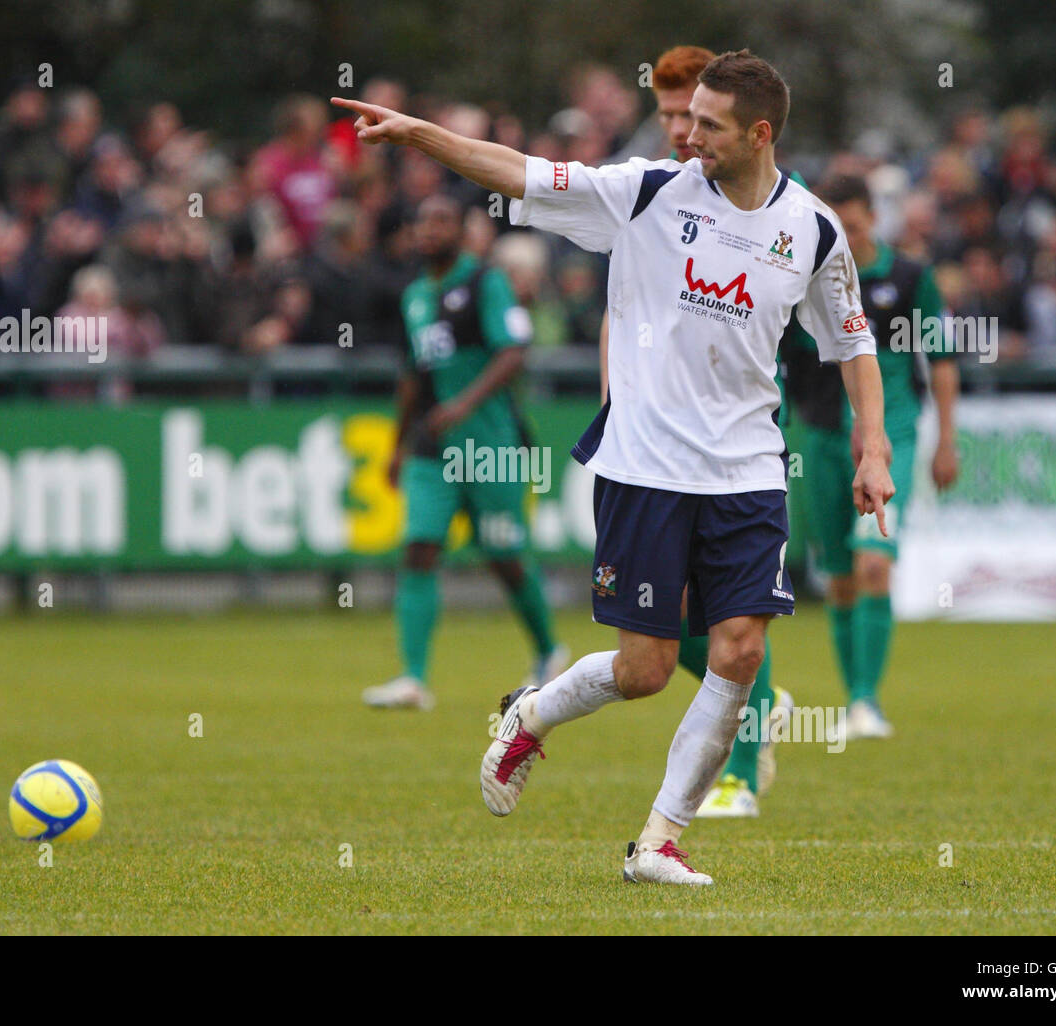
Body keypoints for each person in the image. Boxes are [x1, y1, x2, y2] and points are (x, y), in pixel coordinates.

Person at [333, 47, 894, 885]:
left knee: (739, 651)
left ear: (760, 134)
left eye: (708, 124)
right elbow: (519, 171)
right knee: (647, 671)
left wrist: (873, 443)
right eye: (687, 117)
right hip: (647, 467)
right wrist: (419, 135)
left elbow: (853, 341)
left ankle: (660, 841)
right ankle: (531, 715)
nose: (687, 133)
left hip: (748, 470)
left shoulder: (811, 228)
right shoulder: (647, 192)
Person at [600, 44, 802, 820]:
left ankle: (741, 768)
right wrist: (613, 389)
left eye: (691, 117)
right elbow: (627, 301)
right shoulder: (657, 192)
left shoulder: (774, 211)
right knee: (665, 618)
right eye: (667, 116)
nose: (680, 131)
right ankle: (763, 706)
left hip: (728, 435)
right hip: (646, 417)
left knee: (737, 608)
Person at [361, 192, 568, 711]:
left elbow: (514, 352)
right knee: (419, 547)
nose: (430, 229)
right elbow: (414, 375)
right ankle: (413, 677)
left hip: (489, 445)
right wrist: (397, 444)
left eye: (442, 220)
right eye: (423, 221)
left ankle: (548, 649)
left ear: (461, 230)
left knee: (504, 556)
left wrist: (461, 404)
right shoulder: (414, 295)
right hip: (432, 448)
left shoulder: (485, 282)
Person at [782, 174, 959, 739]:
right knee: (838, 577)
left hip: (892, 436)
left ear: (870, 219)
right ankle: (854, 697)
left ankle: (866, 700)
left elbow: (944, 356)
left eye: (852, 224)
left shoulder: (909, 278)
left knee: (874, 561)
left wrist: (947, 440)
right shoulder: (796, 279)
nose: (843, 234)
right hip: (820, 437)